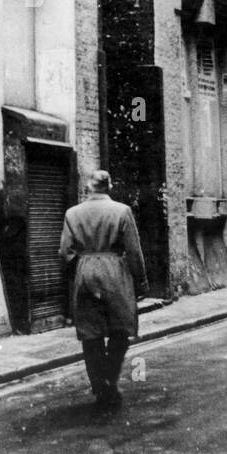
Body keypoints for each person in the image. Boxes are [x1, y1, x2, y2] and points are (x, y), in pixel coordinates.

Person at [59, 171, 148, 409]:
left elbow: (65, 253)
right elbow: (134, 251)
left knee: (91, 335)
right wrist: (140, 282)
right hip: (114, 272)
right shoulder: (122, 211)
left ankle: (99, 385)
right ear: (109, 186)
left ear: (89, 186)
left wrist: (75, 276)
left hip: (85, 271)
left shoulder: (72, 213)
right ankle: (109, 377)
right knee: (120, 330)